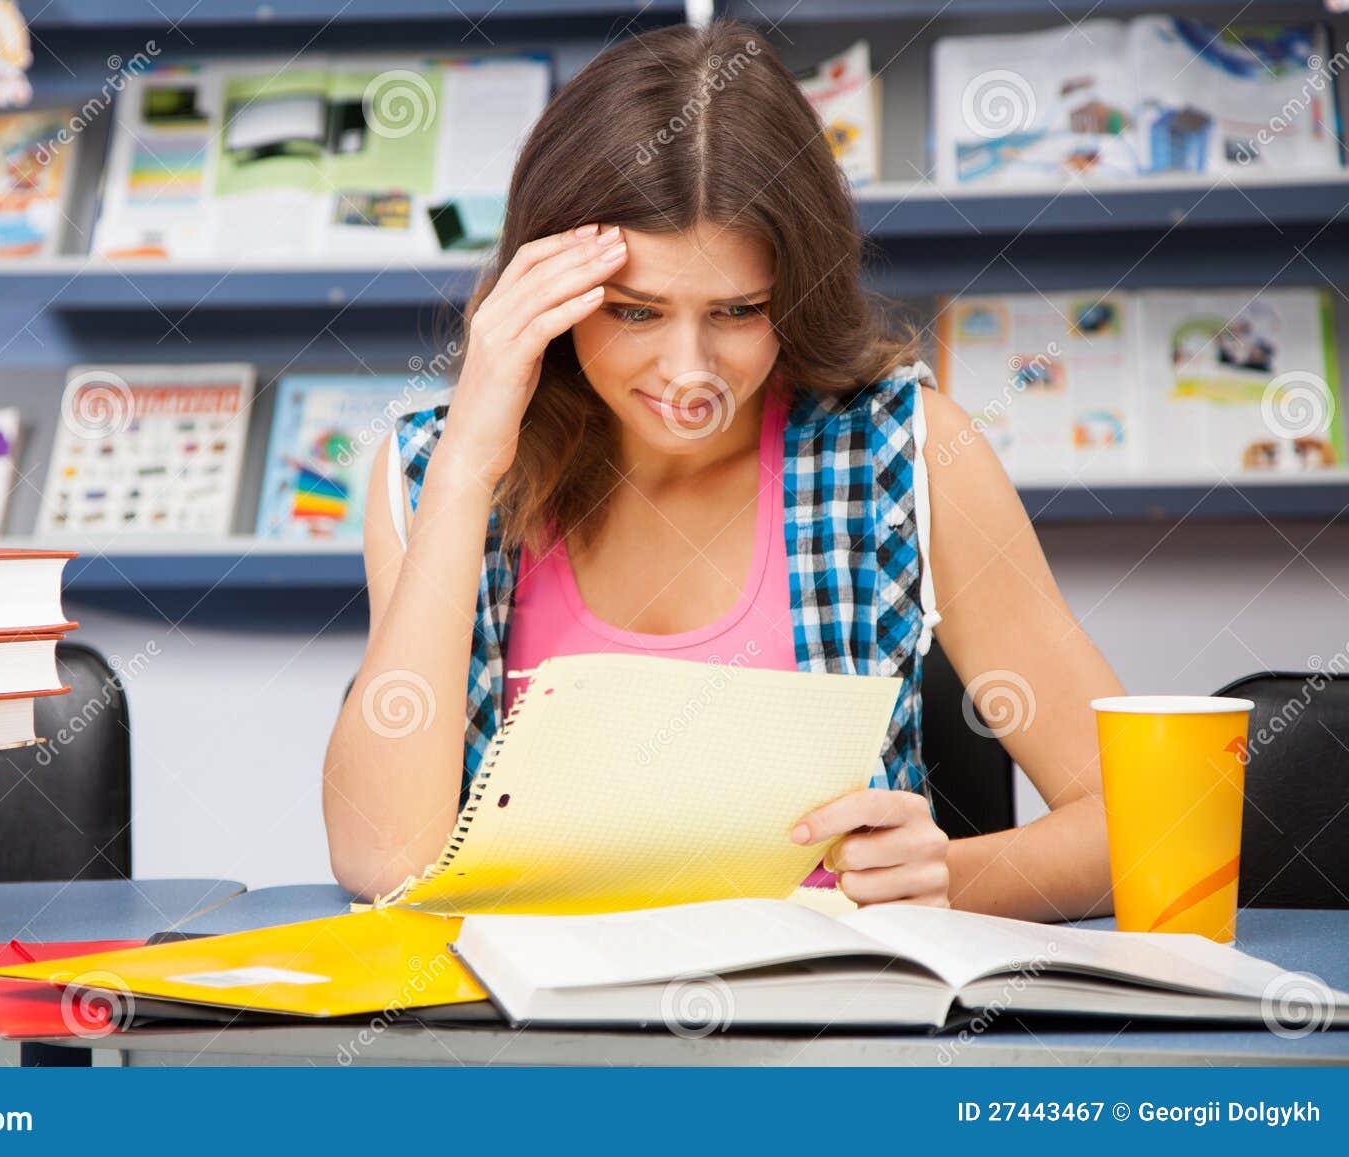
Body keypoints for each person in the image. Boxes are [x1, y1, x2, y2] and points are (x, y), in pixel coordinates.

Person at [323, 20, 1121, 920]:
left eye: (738, 311)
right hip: (524, 1038)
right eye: (634, 313)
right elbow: (383, 857)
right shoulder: (432, 469)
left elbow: (1148, 822)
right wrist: (470, 456)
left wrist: (947, 881)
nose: (689, 372)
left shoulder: (910, 453)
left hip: (823, 1027)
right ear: (543, 294)